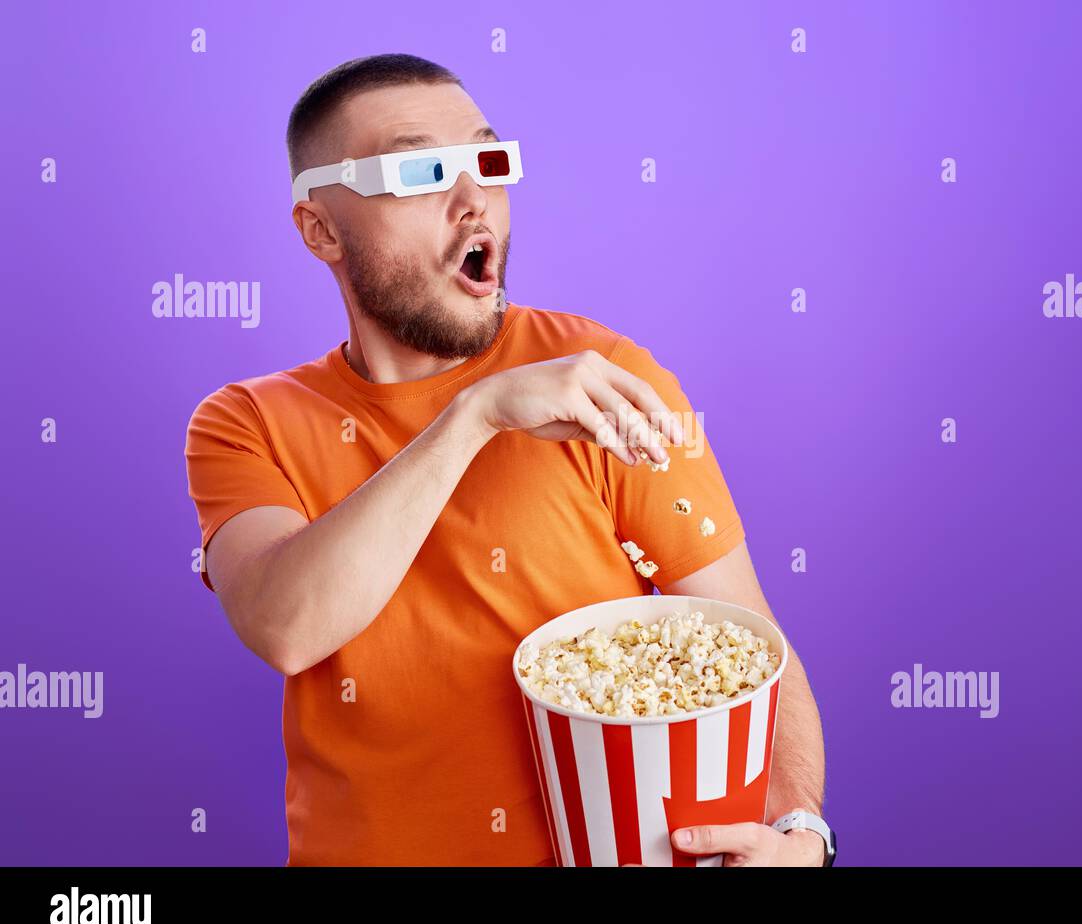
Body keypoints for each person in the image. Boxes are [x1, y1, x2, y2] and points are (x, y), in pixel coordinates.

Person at [184, 53, 827, 866]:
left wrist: (804, 833)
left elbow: (752, 644)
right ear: (320, 229)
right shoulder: (247, 422)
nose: (472, 199)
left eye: (489, 161)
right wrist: (476, 415)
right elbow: (287, 624)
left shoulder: (604, 377)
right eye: (421, 169)